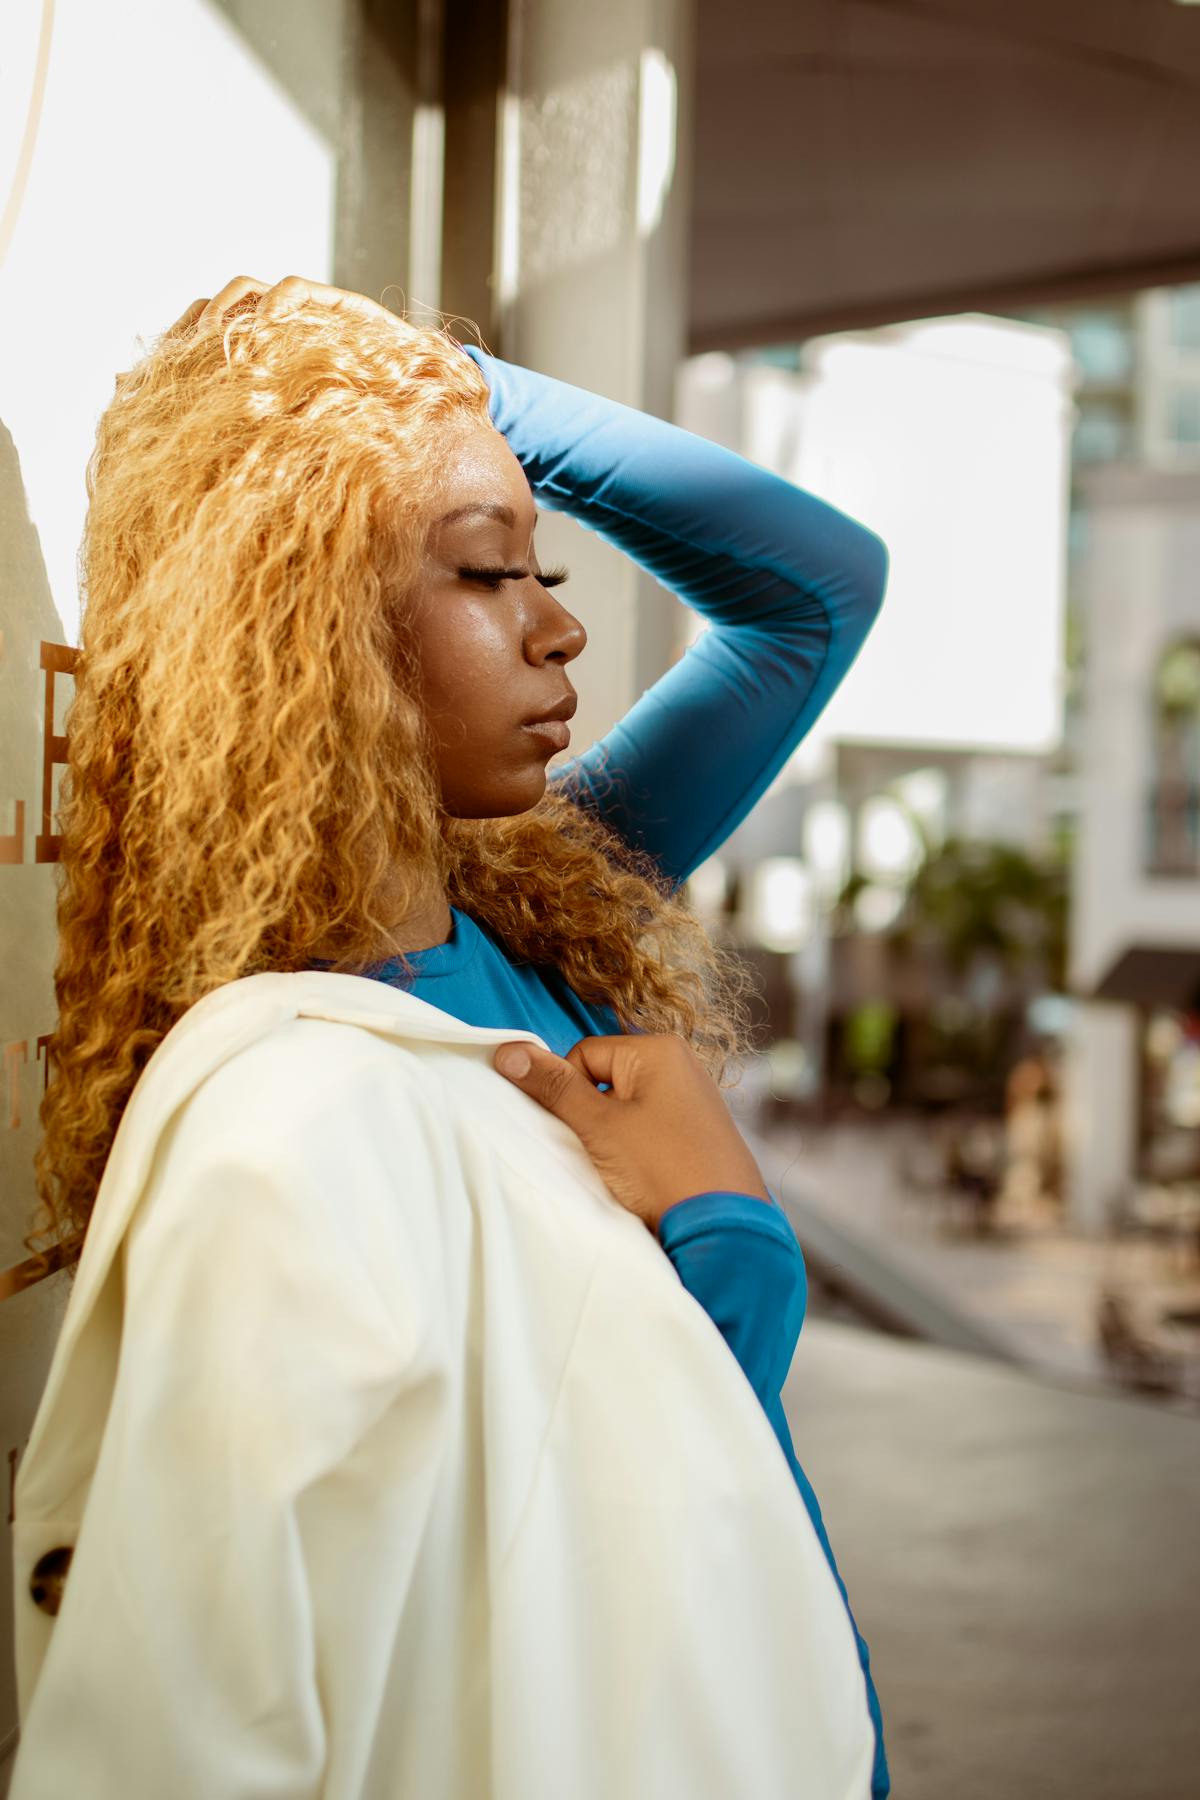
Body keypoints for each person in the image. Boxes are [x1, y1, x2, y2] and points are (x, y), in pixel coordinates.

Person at [12, 275, 892, 1797]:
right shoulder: (298, 1105)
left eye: (542, 565)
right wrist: (729, 1230)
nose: (562, 628)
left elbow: (820, 586)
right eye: (488, 571)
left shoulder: (548, 900)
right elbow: (582, 1526)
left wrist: (441, 393)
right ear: (303, 627)